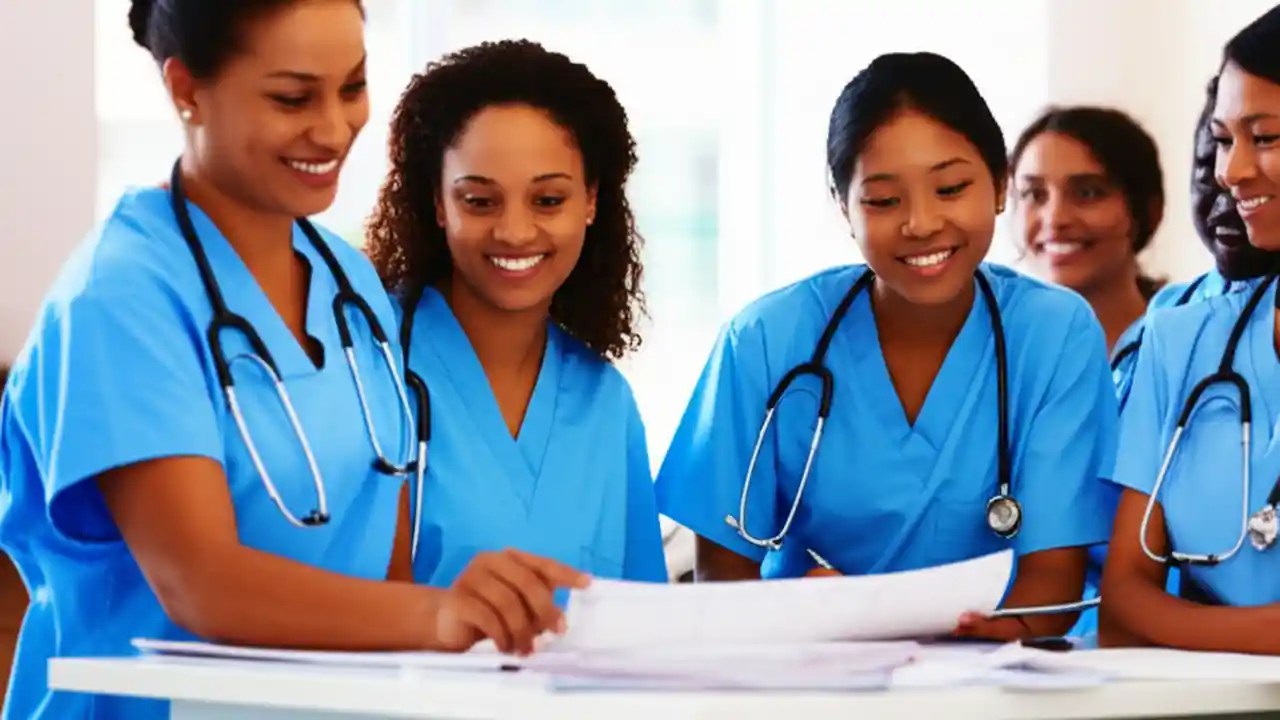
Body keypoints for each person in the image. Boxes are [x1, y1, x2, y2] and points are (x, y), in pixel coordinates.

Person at [0, 4, 584, 718]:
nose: (335, 129)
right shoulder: (119, 299)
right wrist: (439, 617)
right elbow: (201, 584)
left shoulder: (351, 285)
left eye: (353, 87)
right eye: (292, 97)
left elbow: (383, 557)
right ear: (186, 89)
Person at [654, 51, 1118, 641]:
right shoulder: (766, 341)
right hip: (812, 677)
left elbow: (1053, 585)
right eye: (882, 200)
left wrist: (889, 628)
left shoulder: (1055, 333)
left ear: (1000, 185)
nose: (921, 223)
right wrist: (814, 624)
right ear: (843, 205)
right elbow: (723, 578)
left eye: (950, 187)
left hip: (994, 681)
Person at [365, 40, 667, 587]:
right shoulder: (366, 357)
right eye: (479, 201)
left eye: (548, 200)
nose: (514, 232)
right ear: (438, 201)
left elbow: (642, 625)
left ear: (592, 200)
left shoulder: (605, 403)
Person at [1100, 6, 1280, 653]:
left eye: (1265, 138)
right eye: (1224, 138)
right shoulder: (1180, 340)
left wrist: (1187, 626)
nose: (1230, 172)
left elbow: (1148, 610)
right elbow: (1121, 606)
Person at [1009, 107, 1165, 359]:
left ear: (1148, 210)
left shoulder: (1188, 351)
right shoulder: (989, 355)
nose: (1055, 218)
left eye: (1087, 193)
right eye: (1034, 194)